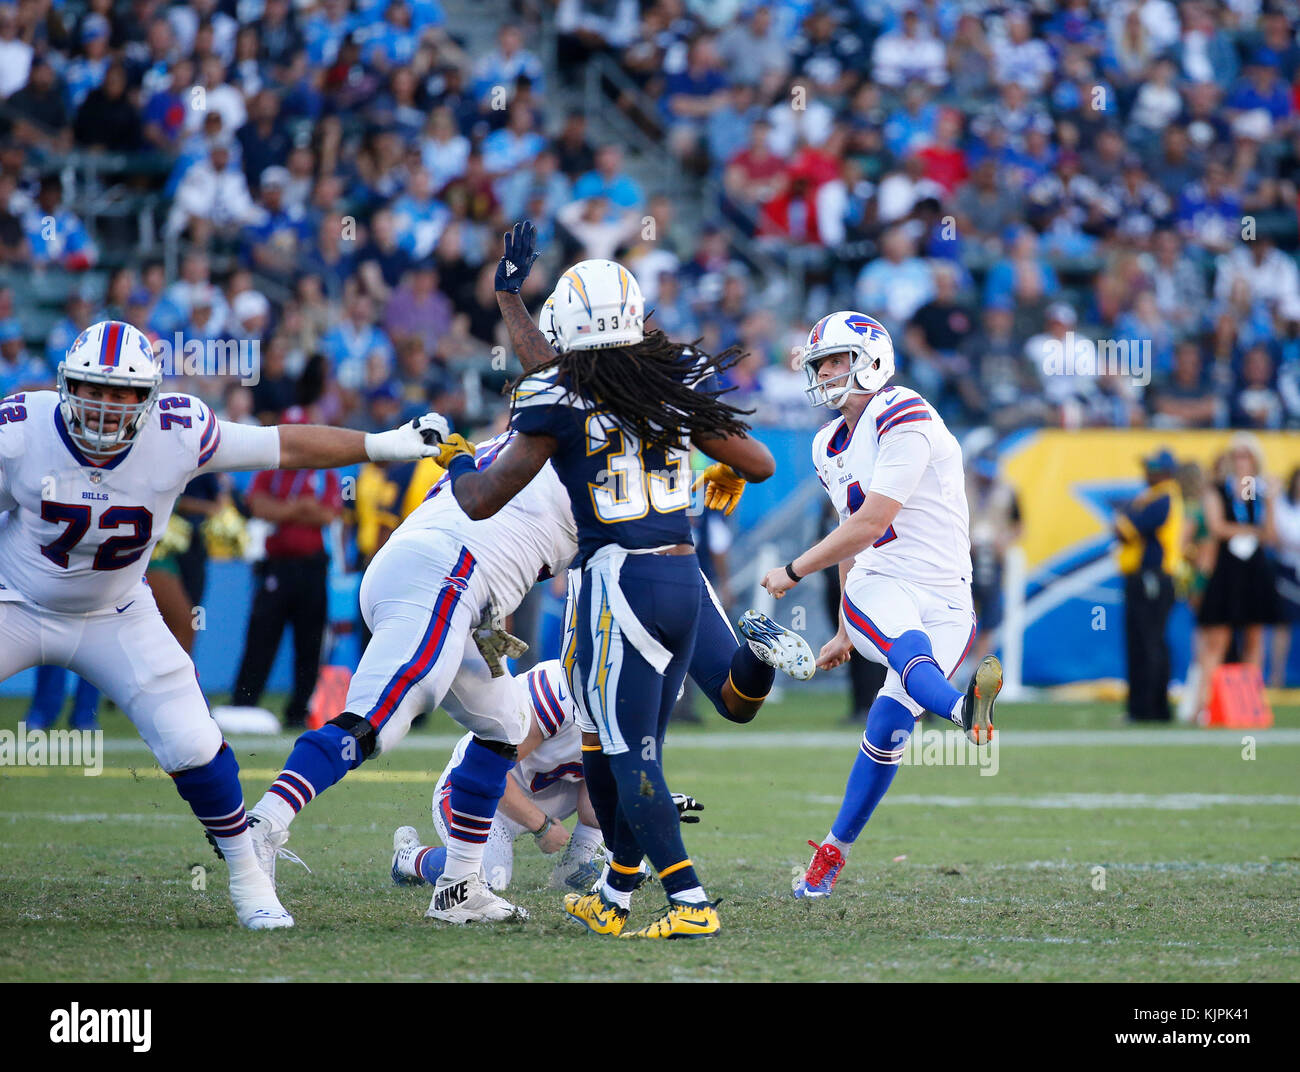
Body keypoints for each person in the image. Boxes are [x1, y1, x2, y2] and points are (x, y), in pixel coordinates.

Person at [0, 320, 450, 929]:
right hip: (17, 601)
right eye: (93, 390)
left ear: (149, 400)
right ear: (65, 387)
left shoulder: (178, 433)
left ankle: (247, 876)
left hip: (117, 610)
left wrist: (383, 445)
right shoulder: (22, 430)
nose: (106, 408)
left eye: (123, 394)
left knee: (191, 740)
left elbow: (282, 446)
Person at [447, 227, 779, 939]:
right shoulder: (668, 380)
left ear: (568, 329)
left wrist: (454, 461)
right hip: (684, 577)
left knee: (629, 755)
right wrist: (720, 469)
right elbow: (759, 463)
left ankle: (689, 902)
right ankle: (617, 892)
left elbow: (481, 499)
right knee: (612, 742)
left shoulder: (557, 392)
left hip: (615, 584)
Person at [759, 310, 1000, 900]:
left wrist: (793, 570)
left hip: (946, 593)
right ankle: (966, 711)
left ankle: (834, 850)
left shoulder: (907, 414)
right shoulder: (825, 444)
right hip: (881, 579)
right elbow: (855, 533)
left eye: (836, 360)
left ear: (871, 359)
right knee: (906, 651)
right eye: (820, 364)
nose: (825, 373)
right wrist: (845, 623)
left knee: (889, 722)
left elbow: (873, 519)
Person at [229, 408, 343, 728]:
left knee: (309, 643)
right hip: (277, 565)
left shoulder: (324, 473)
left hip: (311, 567)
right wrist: (299, 508)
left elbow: (327, 516)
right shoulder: (271, 470)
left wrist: (284, 511)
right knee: (261, 637)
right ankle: (244, 705)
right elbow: (259, 507)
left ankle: (299, 710)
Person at [1195, 435, 1280, 716]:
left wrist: (1270, 503)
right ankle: (1206, 705)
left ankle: (1250, 703)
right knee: (1218, 638)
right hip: (1227, 571)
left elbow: (1270, 535)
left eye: (1247, 455)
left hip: (1253, 570)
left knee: (1255, 638)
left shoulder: (1261, 492)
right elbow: (1217, 527)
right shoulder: (1217, 490)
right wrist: (1251, 531)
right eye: (1237, 455)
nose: (1242, 461)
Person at [1113, 449, 1183, 722]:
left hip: (1151, 578)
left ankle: (1150, 709)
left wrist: (1125, 518)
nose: (1146, 472)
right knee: (1145, 641)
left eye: (1152, 467)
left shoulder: (1162, 497)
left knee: (1148, 642)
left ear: (1165, 471)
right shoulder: (1153, 497)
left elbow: (1125, 529)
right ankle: (1145, 708)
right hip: (1145, 579)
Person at [1272, 468, 1300, 688]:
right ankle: (1276, 678)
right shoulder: (1282, 505)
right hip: (1289, 569)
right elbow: (1279, 537)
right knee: (1283, 625)